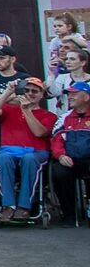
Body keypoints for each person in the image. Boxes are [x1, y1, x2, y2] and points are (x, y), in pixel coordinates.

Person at [0, 76, 56, 222]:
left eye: (35, 91)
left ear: (42, 95)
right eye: (27, 90)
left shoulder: (49, 115)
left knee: (29, 159)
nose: (30, 93)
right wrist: (8, 92)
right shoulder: (10, 109)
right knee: (4, 158)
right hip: (10, 150)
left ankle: (24, 206)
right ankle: (8, 206)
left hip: (35, 151)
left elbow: (39, 132)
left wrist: (26, 110)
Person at [48, 83, 90, 225]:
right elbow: (56, 139)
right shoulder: (65, 117)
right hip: (69, 159)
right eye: (69, 94)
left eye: (74, 94)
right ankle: (69, 214)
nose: (70, 97)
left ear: (86, 97)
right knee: (59, 173)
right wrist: (60, 155)